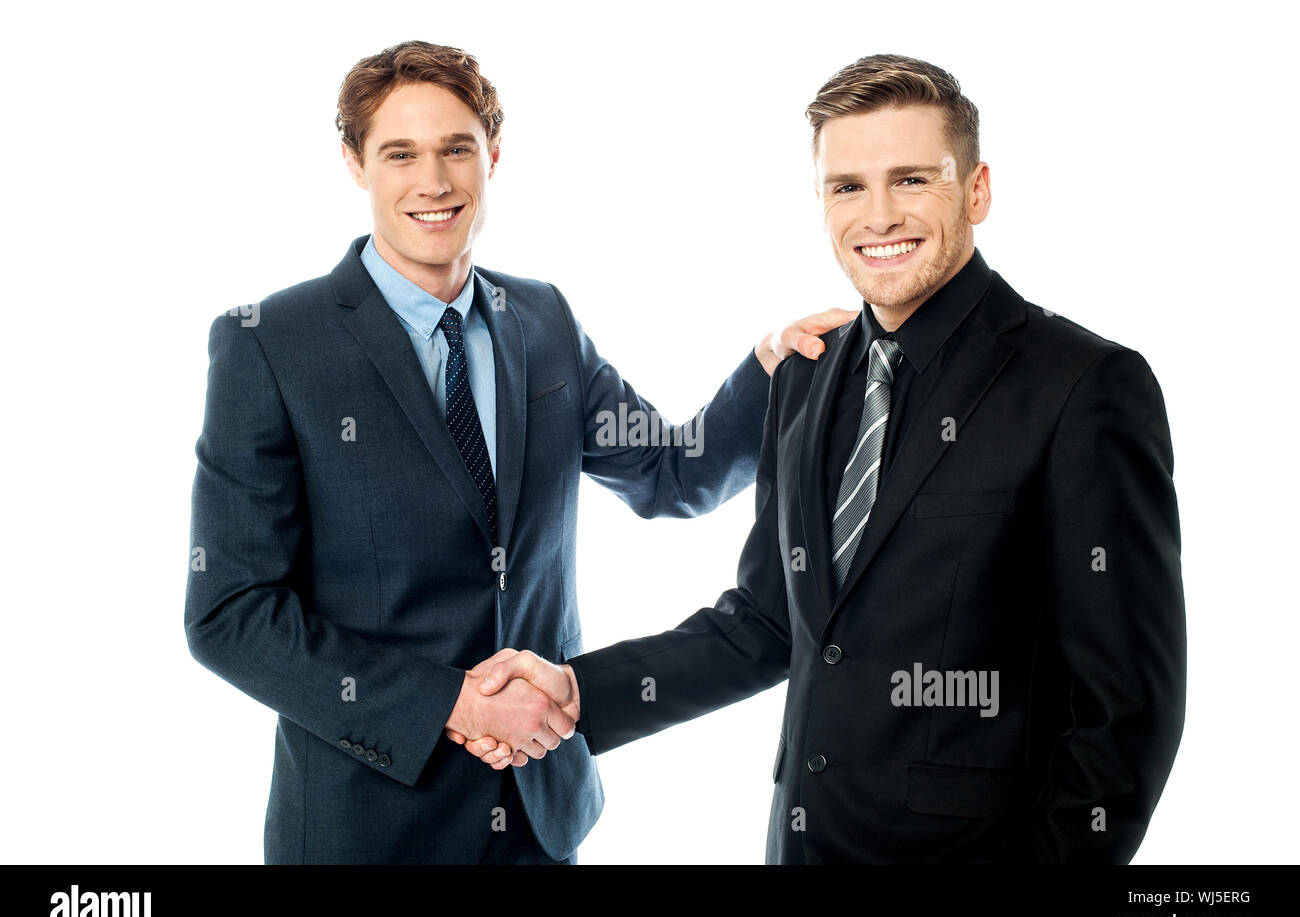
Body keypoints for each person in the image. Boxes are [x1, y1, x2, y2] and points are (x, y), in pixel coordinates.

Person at [459, 53, 1187, 864]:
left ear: (976, 190)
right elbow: (768, 625)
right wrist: (578, 693)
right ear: (821, 202)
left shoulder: (1084, 386)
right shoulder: (804, 374)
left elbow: (1128, 710)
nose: (878, 215)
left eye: (911, 179)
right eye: (847, 187)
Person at [183, 40, 852, 865]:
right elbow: (230, 616)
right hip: (369, 823)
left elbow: (672, 472)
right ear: (355, 164)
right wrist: (451, 704)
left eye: (456, 148)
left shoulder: (541, 322)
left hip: (537, 811)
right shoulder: (272, 344)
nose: (433, 181)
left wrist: (767, 371)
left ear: (492, 155)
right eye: (401, 154)